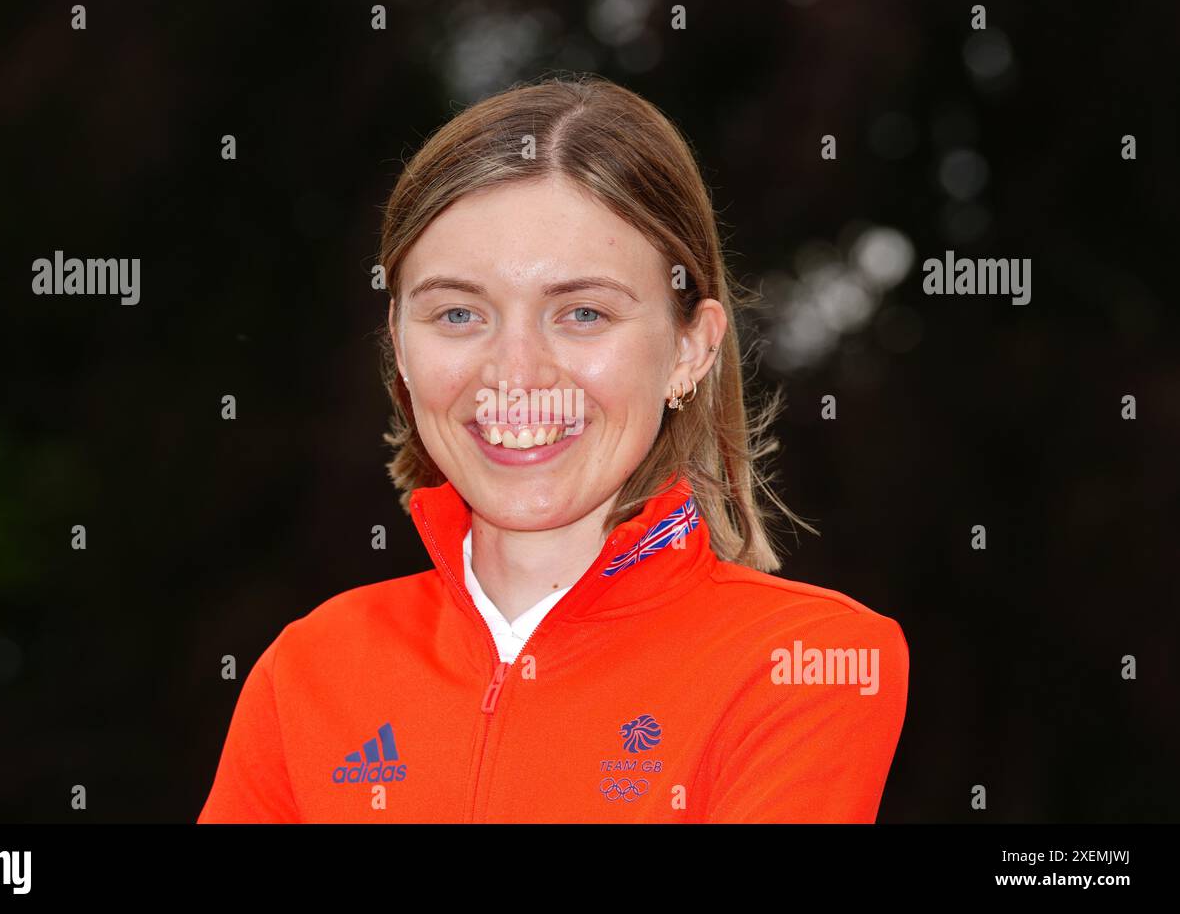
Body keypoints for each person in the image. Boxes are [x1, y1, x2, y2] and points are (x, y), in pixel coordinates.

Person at [198, 73, 908, 823]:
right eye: (460, 312)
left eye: (582, 312)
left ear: (689, 350)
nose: (516, 373)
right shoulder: (309, 667)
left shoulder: (812, 665)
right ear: (400, 348)